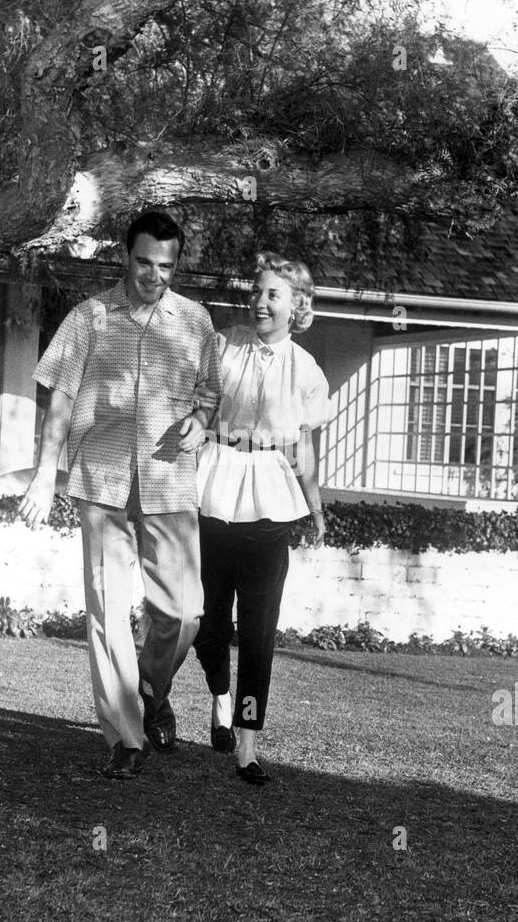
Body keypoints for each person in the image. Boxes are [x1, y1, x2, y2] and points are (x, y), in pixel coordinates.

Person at [20, 211, 221, 779]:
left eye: (166, 265)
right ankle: (125, 738)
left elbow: (211, 390)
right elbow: (59, 401)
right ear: (122, 255)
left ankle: (153, 693)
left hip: (170, 479)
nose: (154, 275)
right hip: (101, 479)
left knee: (184, 613)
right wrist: (44, 473)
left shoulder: (197, 322)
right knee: (108, 611)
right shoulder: (89, 318)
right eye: (143, 262)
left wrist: (202, 421)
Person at [178, 252, 330, 785]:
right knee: (209, 619)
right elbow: (201, 409)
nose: (260, 302)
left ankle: (247, 743)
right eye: (258, 291)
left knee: (259, 632)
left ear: (297, 307)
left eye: (273, 295)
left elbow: (304, 451)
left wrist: (315, 507)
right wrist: (193, 435)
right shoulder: (222, 345)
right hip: (214, 488)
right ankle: (220, 696)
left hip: (270, 501)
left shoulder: (307, 372)